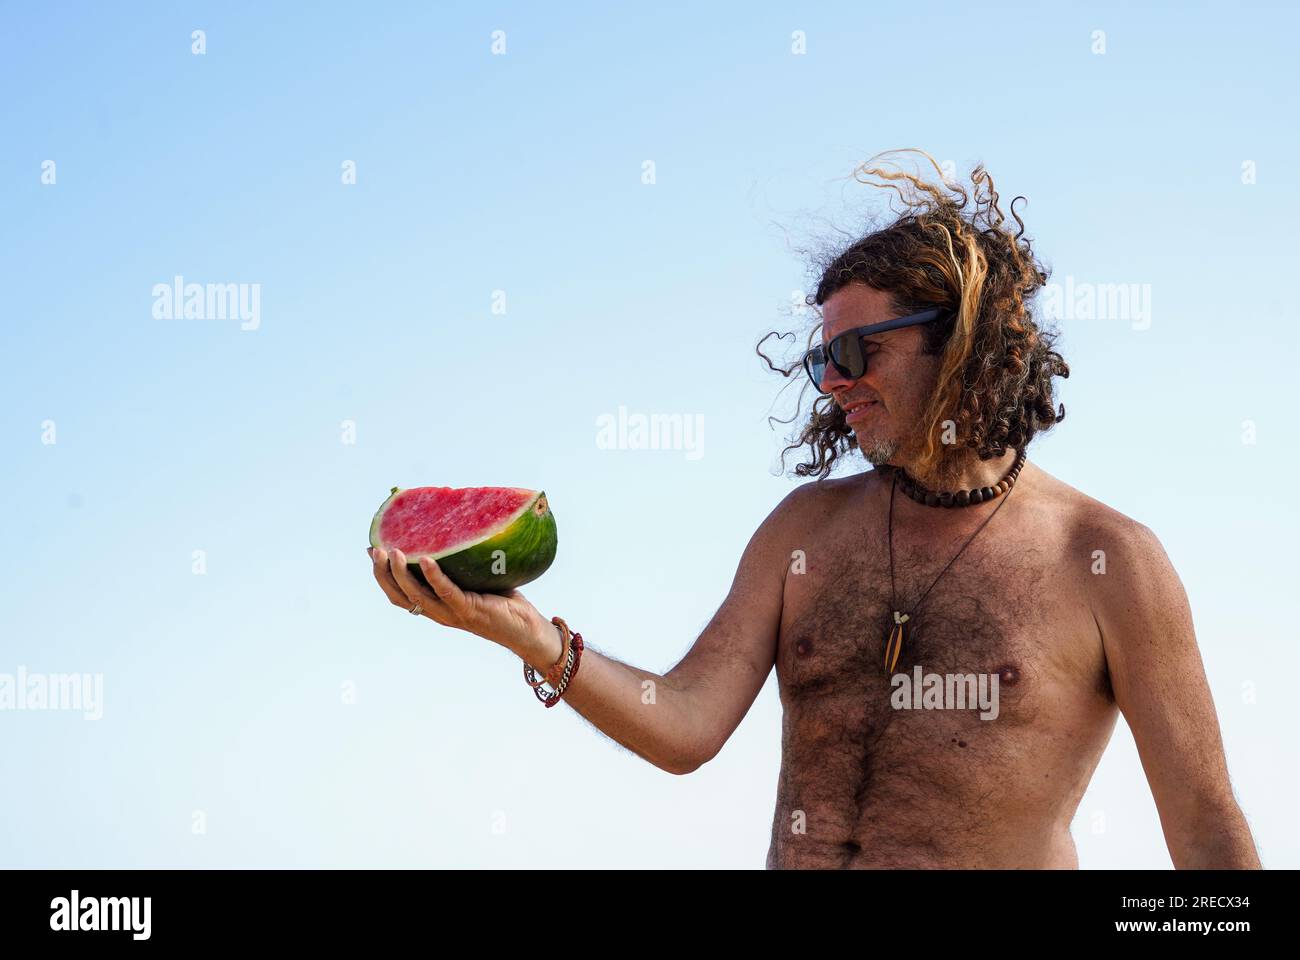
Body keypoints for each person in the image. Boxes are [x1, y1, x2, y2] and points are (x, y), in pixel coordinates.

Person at [369, 150, 1260, 869]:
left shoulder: (1107, 560)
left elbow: (1209, 833)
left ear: (960, 340)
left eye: (857, 350)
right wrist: (532, 639)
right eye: (820, 361)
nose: (834, 382)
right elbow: (686, 723)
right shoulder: (804, 533)